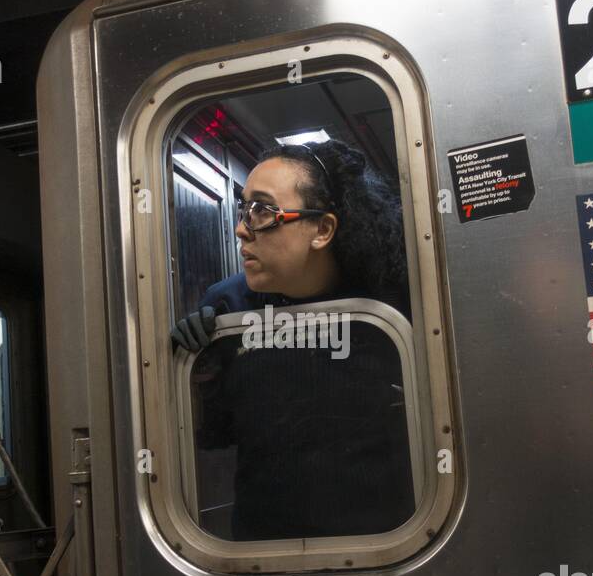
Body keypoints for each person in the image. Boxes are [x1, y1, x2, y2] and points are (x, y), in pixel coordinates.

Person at [171, 139, 414, 541]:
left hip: (386, 545)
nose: (240, 229)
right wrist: (195, 375)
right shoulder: (228, 307)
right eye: (243, 209)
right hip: (264, 549)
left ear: (322, 229)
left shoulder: (388, 306)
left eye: (262, 212)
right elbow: (213, 437)